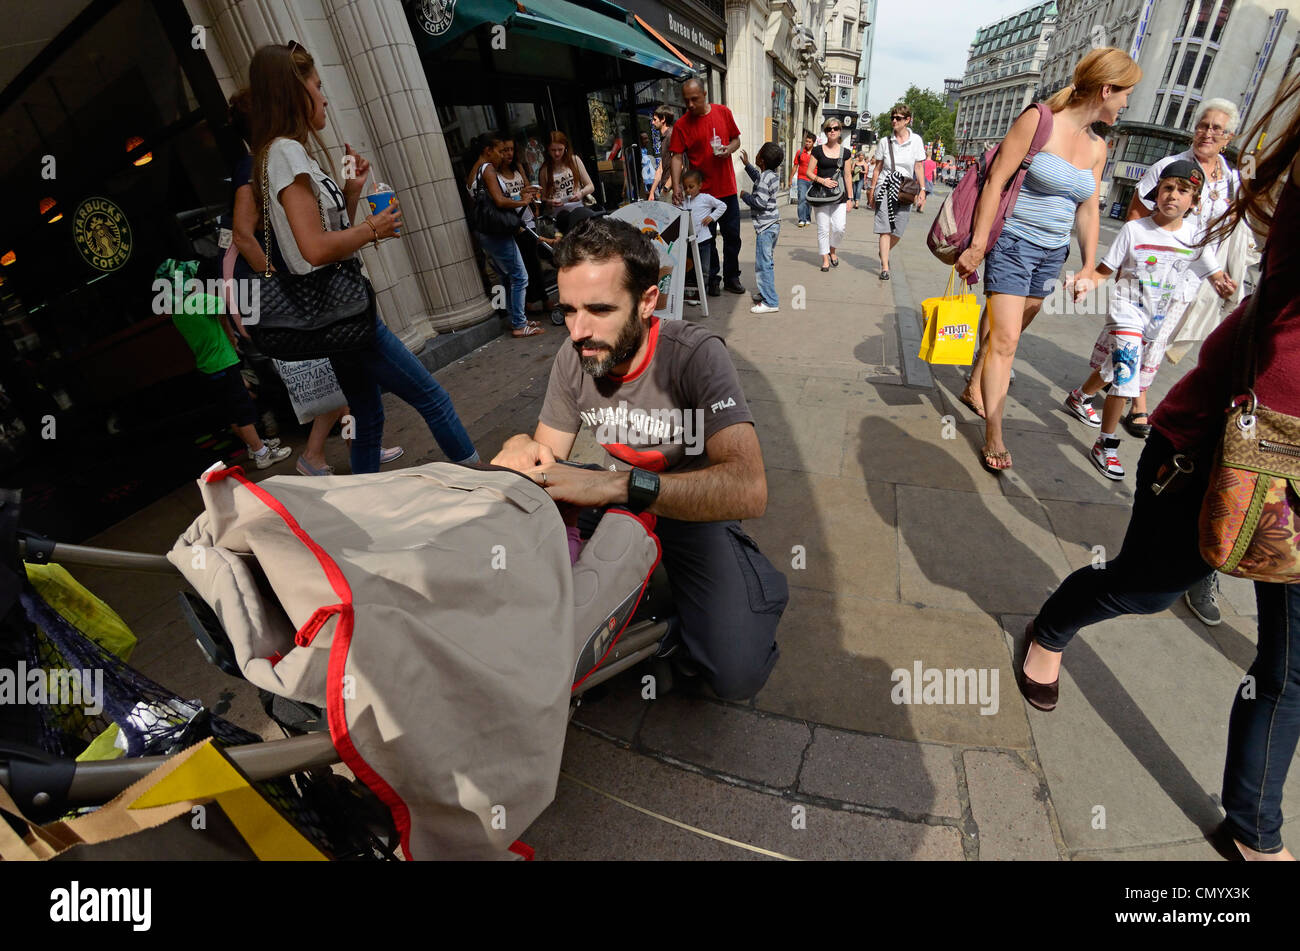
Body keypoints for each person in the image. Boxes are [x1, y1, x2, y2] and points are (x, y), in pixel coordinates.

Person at [1021, 72, 1300, 861]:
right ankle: (1053, 624)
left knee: (1291, 666)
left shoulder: (1224, 192)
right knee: (1146, 586)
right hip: (1227, 440)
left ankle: (1252, 828)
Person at [490, 217, 788, 700]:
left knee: (735, 675)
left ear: (647, 302)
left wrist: (619, 486)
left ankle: (701, 608)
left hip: (690, 510)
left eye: (600, 309)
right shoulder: (576, 355)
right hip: (615, 498)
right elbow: (547, 462)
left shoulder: (695, 356)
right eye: (567, 310)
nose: (578, 330)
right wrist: (522, 451)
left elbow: (748, 488)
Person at [246, 43, 478, 475]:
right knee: (433, 398)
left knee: (368, 417)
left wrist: (351, 192)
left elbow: (319, 238)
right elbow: (314, 249)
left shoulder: (285, 154)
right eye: (317, 87)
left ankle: (368, 500)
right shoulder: (285, 153)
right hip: (344, 314)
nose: (325, 97)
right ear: (295, 91)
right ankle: (490, 486)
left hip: (335, 317)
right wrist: (374, 228)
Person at [955, 47, 1140, 472]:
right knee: (1007, 341)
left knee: (1013, 328)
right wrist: (979, 244)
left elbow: (1089, 209)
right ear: (1106, 90)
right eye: (1125, 94)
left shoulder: (1098, 147)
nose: (1126, 103)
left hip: (1052, 252)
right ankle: (995, 435)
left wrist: (1089, 266)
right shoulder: (1039, 121)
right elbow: (996, 180)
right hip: (1013, 244)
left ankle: (974, 384)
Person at [226, 82, 402, 476]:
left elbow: (327, 217)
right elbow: (243, 234)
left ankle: (352, 450)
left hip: (305, 287)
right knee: (346, 375)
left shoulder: (276, 159)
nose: (319, 97)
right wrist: (277, 282)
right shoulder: (257, 166)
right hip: (293, 292)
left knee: (342, 379)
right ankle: (333, 453)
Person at [1061, 161, 1235, 480]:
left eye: (1183, 191)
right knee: (1126, 375)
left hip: (1156, 317)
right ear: (1157, 194)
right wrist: (1086, 283)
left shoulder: (1195, 237)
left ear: (1194, 202)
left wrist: (1221, 281)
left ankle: (1080, 396)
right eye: (1168, 188)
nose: (1173, 195)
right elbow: (1104, 271)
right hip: (1126, 311)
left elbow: (1211, 269)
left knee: (1116, 367)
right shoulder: (1135, 230)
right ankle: (1106, 444)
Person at [670, 77, 745, 296]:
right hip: (699, 194)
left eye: (694, 99)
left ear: (704, 95)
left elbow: (736, 140)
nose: (690, 105)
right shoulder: (682, 124)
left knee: (733, 237)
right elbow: (676, 157)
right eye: (686, 101)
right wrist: (676, 187)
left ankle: (732, 277)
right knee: (706, 240)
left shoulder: (723, 112)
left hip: (727, 190)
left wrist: (728, 149)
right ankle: (712, 278)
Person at [465, 132, 543, 338]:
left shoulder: (473, 173)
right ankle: (519, 323)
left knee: (506, 277)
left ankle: (515, 318)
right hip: (497, 232)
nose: (503, 156)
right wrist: (523, 202)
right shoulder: (488, 169)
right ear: (488, 151)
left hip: (485, 232)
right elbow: (499, 201)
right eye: (500, 151)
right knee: (520, 276)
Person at [497, 135, 558, 320]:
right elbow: (501, 200)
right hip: (513, 224)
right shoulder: (494, 175)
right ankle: (529, 302)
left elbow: (526, 188)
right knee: (523, 265)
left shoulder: (518, 168)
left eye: (511, 149)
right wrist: (520, 196)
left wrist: (534, 203)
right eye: (504, 150)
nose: (508, 153)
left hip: (528, 219)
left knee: (534, 262)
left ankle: (541, 299)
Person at [868, 103, 927, 281]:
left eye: (898, 118)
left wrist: (922, 190)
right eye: (892, 117)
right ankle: (885, 266)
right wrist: (871, 190)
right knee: (884, 229)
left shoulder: (916, 140)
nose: (894, 121)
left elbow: (918, 166)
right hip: (885, 187)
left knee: (898, 230)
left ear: (907, 120)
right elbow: (877, 168)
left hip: (906, 189)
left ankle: (883, 251)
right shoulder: (885, 142)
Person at [739, 142, 784, 314]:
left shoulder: (765, 178)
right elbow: (757, 177)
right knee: (767, 262)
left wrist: (745, 196)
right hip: (772, 225)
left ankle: (771, 302)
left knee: (763, 265)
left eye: (758, 153)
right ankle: (766, 293)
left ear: (763, 160)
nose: (756, 155)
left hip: (766, 228)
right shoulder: (770, 175)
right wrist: (747, 165)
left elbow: (759, 202)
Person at [807, 118, 851, 272]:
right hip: (821, 195)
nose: (832, 131)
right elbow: (809, 172)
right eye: (828, 129)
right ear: (825, 132)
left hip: (840, 196)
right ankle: (825, 258)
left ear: (840, 131)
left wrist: (851, 198)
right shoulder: (818, 150)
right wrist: (822, 181)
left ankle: (832, 249)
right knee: (823, 229)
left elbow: (847, 176)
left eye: (835, 128)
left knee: (840, 227)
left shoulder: (845, 152)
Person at [679, 169, 727, 307]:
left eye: (691, 187)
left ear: (700, 185)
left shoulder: (705, 198)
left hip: (704, 240)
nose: (688, 190)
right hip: (689, 241)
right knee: (691, 268)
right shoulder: (685, 201)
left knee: (705, 268)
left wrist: (712, 217)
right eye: (685, 187)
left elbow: (722, 206)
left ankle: (702, 292)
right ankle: (693, 292)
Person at [538, 130, 596, 232]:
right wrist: (550, 202)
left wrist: (580, 193)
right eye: (553, 150)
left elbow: (590, 186)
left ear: (565, 147)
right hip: (559, 218)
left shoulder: (574, 160)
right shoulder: (544, 170)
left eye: (560, 149)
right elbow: (543, 198)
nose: (557, 153)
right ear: (548, 150)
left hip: (579, 212)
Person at [648, 105, 676, 202]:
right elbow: (660, 168)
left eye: (655, 119)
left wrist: (666, 188)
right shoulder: (664, 138)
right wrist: (652, 192)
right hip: (667, 190)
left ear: (663, 119)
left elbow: (679, 166)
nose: (652, 122)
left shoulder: (671, 136)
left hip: (672, 190)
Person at [790, 132, 816, 227]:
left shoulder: (816, 153)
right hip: (802, 179)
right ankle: (801, 219)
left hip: (813, 180)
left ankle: (807, 218)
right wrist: (790, 179)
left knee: (809, 200)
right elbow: (795, 166)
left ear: (813, 143)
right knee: (801, 199)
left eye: (809, 142)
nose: (807, 143)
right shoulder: (800, 152)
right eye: (806, 141)